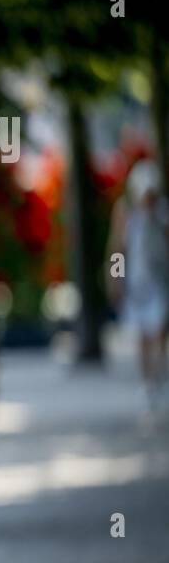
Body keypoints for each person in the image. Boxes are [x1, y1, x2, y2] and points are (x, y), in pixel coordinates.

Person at [108, 160, 169, 409]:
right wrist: (117, 280)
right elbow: (118, 250)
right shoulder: (126, 214)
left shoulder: (163, 214)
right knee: (143, 333)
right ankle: (147, 382)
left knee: (159, 329)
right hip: (137, 282)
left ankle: (158, 375)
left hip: (159, 281)